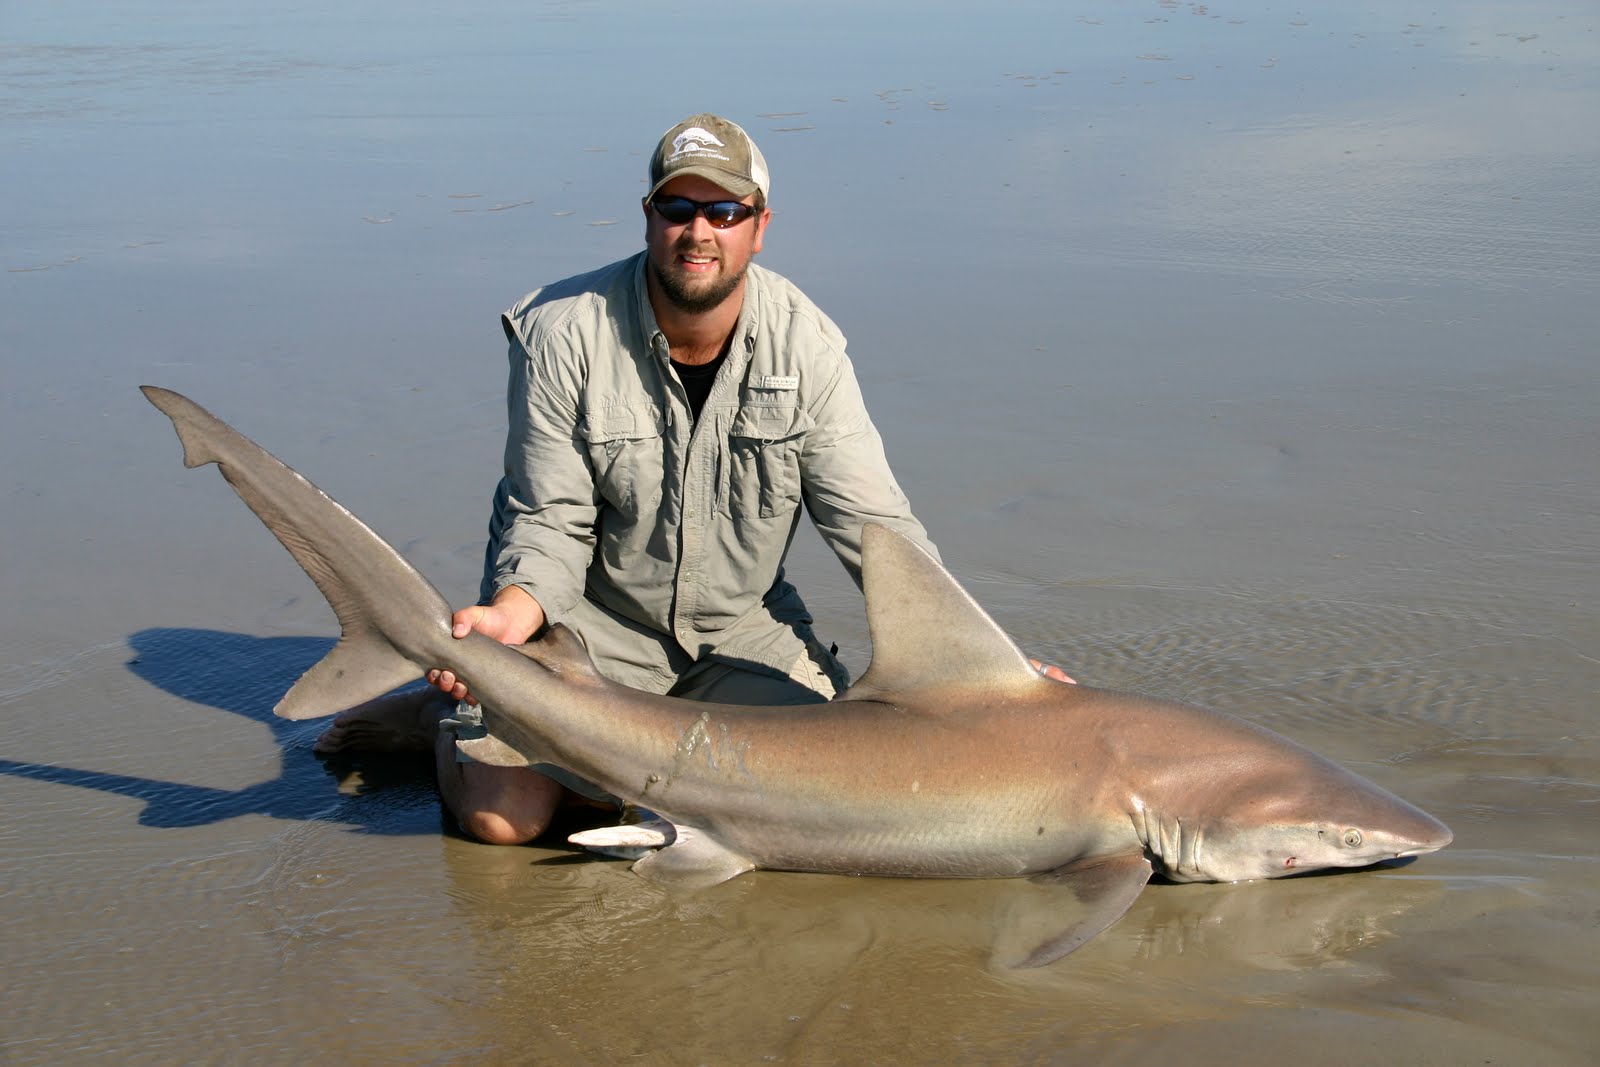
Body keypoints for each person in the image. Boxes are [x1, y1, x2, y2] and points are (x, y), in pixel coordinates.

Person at [317, 113, 1071, 844]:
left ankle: (544, 731)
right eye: (678, 207)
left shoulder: (807, 347)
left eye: (723, 210)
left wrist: (982, 667)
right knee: (507, 822)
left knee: (856, 782)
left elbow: (876, 528)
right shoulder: (563, 332)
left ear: (760, 224)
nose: (699, 230)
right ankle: (441, 717)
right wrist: (508, 623)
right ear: (649, 216)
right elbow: (549, 517)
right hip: (589, 623)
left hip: (741, 630)